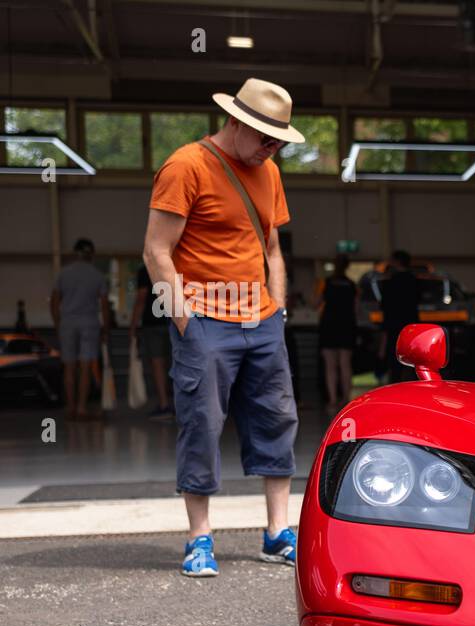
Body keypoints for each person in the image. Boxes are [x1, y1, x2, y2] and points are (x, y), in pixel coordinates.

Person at [142, 77, 305, 578]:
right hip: (204, 321)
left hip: (262, 321)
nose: (270, 149)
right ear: (235, 122)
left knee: (276, 420)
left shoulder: (269, 171)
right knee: (202, 424)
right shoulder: (186, 166)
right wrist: (184, 321)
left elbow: (272, 248)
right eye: (263, 138)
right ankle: (199, 538)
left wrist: (276, 307)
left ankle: (277, 534)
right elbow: (156, 251)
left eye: (278, 141)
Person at [49, 238, 110, 420]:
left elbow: (54, 302)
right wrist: (105, 329)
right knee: (85, 366)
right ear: (91, 254)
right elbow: (105, 306)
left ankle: (71, 408)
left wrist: (58, 323)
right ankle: (82, 408)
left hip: (67, 323)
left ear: (75, 253)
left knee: (69, 367)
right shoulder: (97, 275)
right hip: (89, 323)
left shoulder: (63, 274)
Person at [128, 264, 174, 420]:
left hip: (153, 323)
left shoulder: (146, 270)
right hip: (177, 321)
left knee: (157, 363)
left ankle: (164, 404)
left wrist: (133, 326)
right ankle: (183, 405)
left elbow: (141, 299)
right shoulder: (177, 265)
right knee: (178, 364)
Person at [315, 254, 358, 409]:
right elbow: (356, 308)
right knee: (345, 364)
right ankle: (346, 398)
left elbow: (316, 303)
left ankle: (333, 399)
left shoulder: (327, 283)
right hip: (346, 325)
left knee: (330, 365)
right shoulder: (351, 284)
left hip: (329, 325)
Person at [379, 250, 419, 383]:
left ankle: (395, 390)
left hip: (394, 326)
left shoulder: (390, 282)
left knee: (395, 363)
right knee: (413, 361)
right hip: (411, 326)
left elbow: (385, 307)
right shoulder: (414, 281)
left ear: (396, 262)